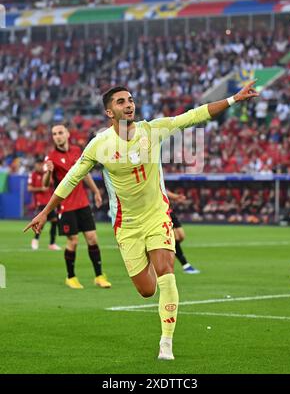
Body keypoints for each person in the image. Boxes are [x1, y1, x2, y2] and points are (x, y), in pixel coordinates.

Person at [24, 81, 258, 360]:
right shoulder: (100, 145)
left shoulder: (151, 130)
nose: (129, 104)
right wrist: (44, 211)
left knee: (166, 273)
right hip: (127, 224)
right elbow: (72, 178)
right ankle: (148, 262)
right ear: (109, 112)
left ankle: (166, 344)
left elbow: (194, 115)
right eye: (121, 102)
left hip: (157, 214)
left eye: (131, 100)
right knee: (147, 290)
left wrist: (233, 99)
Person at [42, 123, 111, 289]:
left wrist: (95, 191)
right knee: (73, 241)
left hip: (82, 203)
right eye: (54, 134)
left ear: (67, 134)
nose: (57, 136)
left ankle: (99, 276)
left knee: (92, 238)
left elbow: (85, 174)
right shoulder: (50, 157)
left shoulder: (76, 152)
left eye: (60, 132)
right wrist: (49, 172)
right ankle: (71, 277)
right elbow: (46, 185)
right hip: (65, 206)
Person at [27, 157, 60, 251]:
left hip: (49, 203)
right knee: (42, 222)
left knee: (54, 221)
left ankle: (52, 243)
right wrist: (41, 189)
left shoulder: (47, 174)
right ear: (35, 165)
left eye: (41, 164)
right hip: (40, 202)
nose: (40, 166)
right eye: (38, 164)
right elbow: (29, 188)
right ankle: (35, 240)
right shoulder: (33, 175)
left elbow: (51, 183)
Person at [166, 190, 200, 274]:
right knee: (174, 238)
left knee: (181, 236)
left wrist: (176, 197)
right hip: (162, 211)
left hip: (169, 210)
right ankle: (185, 265)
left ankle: (168, 252)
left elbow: (164, 189)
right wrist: (175, 197)